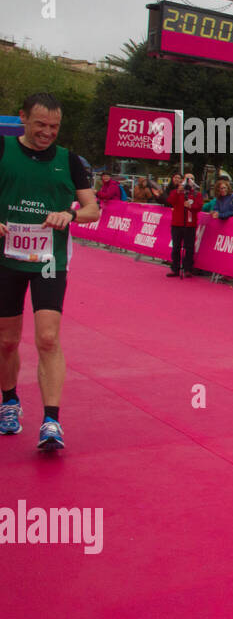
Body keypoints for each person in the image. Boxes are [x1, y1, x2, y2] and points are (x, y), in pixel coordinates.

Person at [0, 92, 99, 449]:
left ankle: (51, 422)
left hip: (48, 261)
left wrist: (70, 214)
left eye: (54, 127)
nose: (47, 132)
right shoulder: (3, 149)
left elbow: (93, 209)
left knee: (47, 338)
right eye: (40, 124)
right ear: (22, 117)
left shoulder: (68, 161)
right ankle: (9, 401)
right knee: (7, 341)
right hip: (5, 260)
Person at [166, 173, 203, 278]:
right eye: (187, 179)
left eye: (192, 179)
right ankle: (175, 268)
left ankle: (188, 268)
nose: (189, 181)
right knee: (176, 247)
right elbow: (170, 201)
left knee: (189, 248)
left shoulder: (196, 194)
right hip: (177, 224)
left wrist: (191, 206)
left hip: (190, 225)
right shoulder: (176, 192)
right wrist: (178, 191)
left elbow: (199, 206)